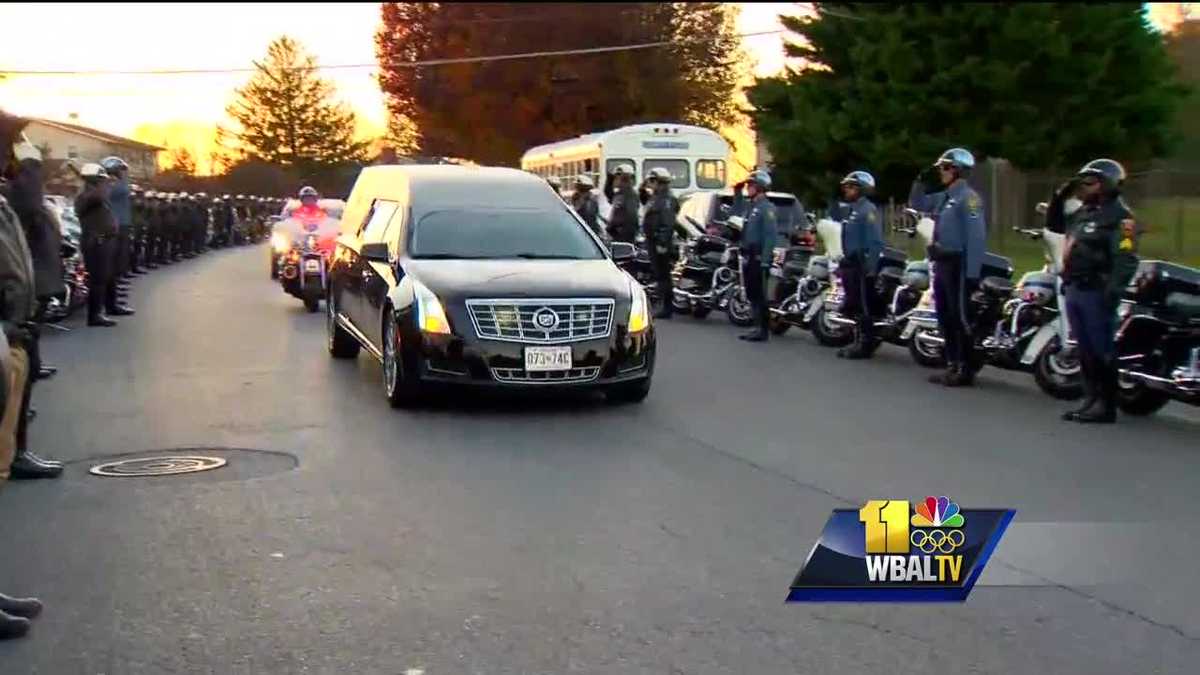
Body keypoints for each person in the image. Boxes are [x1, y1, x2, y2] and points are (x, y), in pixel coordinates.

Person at [1056, 159, 1140, 424]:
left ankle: (1106, 405)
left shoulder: (1122, 218)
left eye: (1090, 182)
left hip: (1097, 290)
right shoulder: (1085, 212)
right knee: (1085, 350)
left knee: (1101, 349)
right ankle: (1090, 399)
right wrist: (1061, 193)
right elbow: (1056, 223)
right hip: (1075, 287)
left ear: (1107, 185)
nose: (1085, 187)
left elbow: (1126, 259)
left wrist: (1111, 293)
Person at [909, 147, 987, 387]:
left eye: (944, 168)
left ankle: (965, 367)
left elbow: (976, 237)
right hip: (942, 262)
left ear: (958, 170)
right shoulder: (946, 197)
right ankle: (952, 364)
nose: (941, 172)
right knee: (944, 315)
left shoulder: (969, 198)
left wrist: (972, 272)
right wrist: (919, 181)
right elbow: (918, 203)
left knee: (959, 316)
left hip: (959, 265)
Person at [833, 171, 884, 359]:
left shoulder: (867, 210)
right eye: (846, 186)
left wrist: (870, 267)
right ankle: (857, 340)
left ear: (862, 190)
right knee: (854, 304)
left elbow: (876, 241)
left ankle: (865, 344)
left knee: (864, 306)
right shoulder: (853, 209)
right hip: (851, 264)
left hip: (861, 265)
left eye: (851, 187)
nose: (846, 190)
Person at [76, 163, 128, 326]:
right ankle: (94, 315)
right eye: (101, 180)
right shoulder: (86, 196)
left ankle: (111, 306)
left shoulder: (94, 194)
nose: (105, 183)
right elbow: (99, 196)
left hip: (105, 240)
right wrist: (103, 182)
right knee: (98, 279)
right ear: (93, 180)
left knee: (108, 276)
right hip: (96, 242)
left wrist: (103, 180)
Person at [737, 170, 778, 341]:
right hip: (749, 256)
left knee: (760, 295)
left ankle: (763, 329)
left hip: (759, 256)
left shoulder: (766, 208)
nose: (748, 188)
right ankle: (756, 326)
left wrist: (765, 259)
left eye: (751, 185)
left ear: (760, 187)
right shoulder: (752, 207)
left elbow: (770, 236)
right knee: (752, 293)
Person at [641, 168, 679, 320]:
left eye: (653, 181)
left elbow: (668, 223)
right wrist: (643, 185)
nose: (651, 184)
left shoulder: (667, 199)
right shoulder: (656, 197)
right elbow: (643, 197)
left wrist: (662, 242)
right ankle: (664, 304)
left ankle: (667, 307)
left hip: (660, 242)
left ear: (660, 182)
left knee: (663, 275)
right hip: (652, 240)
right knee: (658, 274)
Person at [603, 164, 639, 243]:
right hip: (617, 235)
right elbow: (608, 193)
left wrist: (615, 229)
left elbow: (631, 218)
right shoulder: (619, 194)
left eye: (617, 178)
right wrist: (609, 180)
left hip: (623, 237)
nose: (615, 181)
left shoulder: (630, 196)